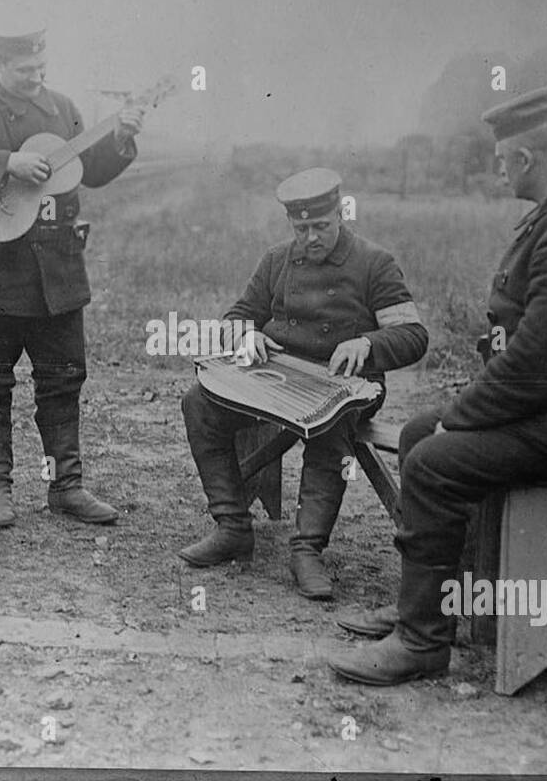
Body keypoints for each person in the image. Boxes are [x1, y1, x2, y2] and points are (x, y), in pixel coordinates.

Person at [328, 82, 547, 685]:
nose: (498, 169)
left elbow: (538, 363)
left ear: (527, 159)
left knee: (435, 459)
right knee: (420, 433)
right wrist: (458, 416)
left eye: (502, 159)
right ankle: (430, 607)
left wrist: (466, 415)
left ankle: (422, 643)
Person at [0, 27, 143, 529]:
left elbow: (92, 170)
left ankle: (67, 486)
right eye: (25, 70)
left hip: (58, 267)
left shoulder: (64, 109)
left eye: (42, 68)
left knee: (63, 379)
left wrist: (122, 136)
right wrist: (6, 164)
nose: (36, 78)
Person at [180, 167, 428, 600]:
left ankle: (307, 549)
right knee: (199, 402)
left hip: (347, 383)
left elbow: (413, 336)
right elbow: (238, 315)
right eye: (302, 228)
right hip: (279, 375)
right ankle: (232, 525)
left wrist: (367, 344)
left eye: (321, 226)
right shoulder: (277, 259)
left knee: (332, 425)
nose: (311, 237)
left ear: (340, 215)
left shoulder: (374, 262)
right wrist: (247, 334)